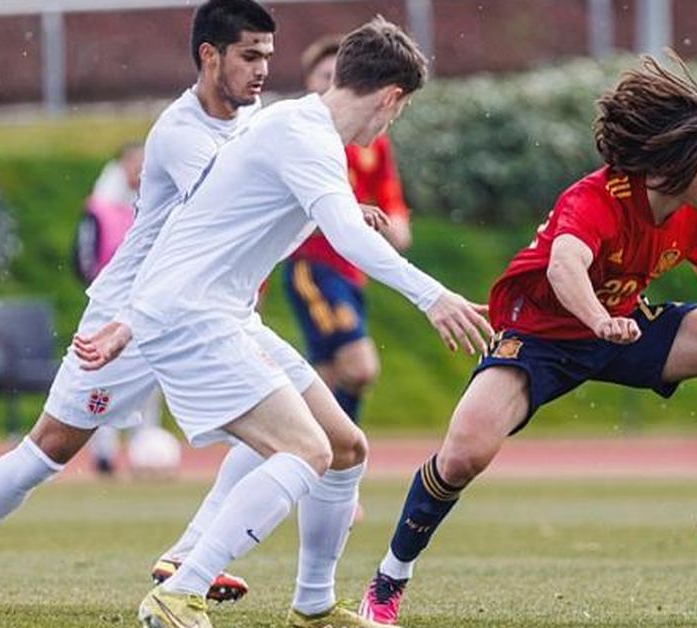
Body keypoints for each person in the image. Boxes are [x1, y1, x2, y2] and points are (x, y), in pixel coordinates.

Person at [71, 17, 493, 628]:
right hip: (193, 318)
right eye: (396, 113)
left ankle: (314, 605)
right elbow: (347, 236)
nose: (388, 126)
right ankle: (178, 591)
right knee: (304, 450)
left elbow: (198, 222)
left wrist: (131, 318)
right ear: (390, 98)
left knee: (346, 448)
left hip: (214, 314)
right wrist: (433, 297)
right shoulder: (304, 136)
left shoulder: (291, 122)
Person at [357, 55, 697, 625]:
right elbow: (564, 266)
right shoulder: (596, 199)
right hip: (542, 335)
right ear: (680, 160)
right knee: (464, 454)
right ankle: (389, 579)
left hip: (622, 325)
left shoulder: (696, 212)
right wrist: (597, 320)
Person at [0, 0, 274, 613]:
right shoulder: (181, 133)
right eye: (249, 55)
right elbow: (231, 209)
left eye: (268, 55)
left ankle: (188, 557)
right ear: (210, 56)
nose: (263, 69)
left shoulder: (256, 117)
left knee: (285, 433)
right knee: (47, 450)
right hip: (130, 315)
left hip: (209, 317)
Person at [283, 34, 413, 425]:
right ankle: (335, 448)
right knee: (359, 366)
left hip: (352, 272)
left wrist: (395, 227)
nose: (331, 82)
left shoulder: (372, 140)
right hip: (315, 268)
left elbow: (391, 201)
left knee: (326, 376)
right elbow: (291, 215)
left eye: (338, 74)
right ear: (310, 82)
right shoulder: (301, 135)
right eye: (324, 75)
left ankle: (311, 452)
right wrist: (343, 218)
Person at [75, 141, 160, 476]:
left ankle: (145, 445)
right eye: (136, 163)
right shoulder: (101, 206)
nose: (140, 171)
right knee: (106, 376)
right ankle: (104, 450)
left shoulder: (150, 200)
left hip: (146, 302)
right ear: (124, 163)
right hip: (112, 305)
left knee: (148, 374)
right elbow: (86, 256)